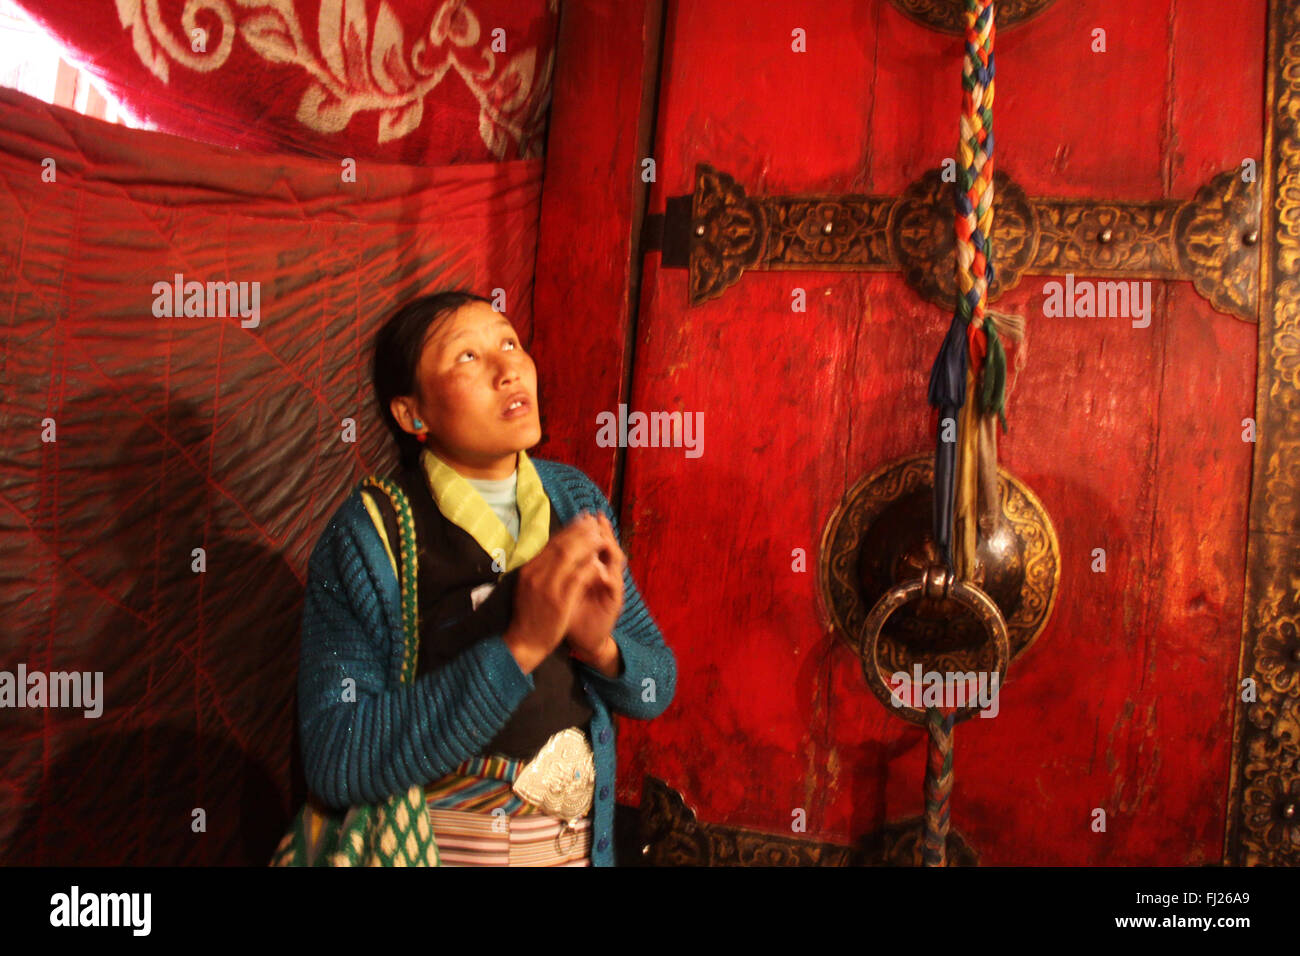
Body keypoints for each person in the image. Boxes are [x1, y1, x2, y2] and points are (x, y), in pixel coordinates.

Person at [297, 290, 676, 866]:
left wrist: (598, 647)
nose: (507, 368)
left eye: (509, 342)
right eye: (467, 357)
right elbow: (336, 757)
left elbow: (656, 690)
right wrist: (519, 646)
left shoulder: (574, 500)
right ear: (411, 414)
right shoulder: (370, 533)